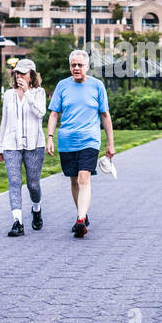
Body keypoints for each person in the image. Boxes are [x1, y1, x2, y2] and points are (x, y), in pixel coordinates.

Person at [46, 49, 115, 238]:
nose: (76, 68)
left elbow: (105, 115)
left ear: (87, 66)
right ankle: (82, 214)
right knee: (74, 180)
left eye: (80, 65)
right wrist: (50, 137)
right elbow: (53, 114)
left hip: (90, 140)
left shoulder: (97, 86)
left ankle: (80, 220)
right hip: (67, 141)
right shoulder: (62, 86)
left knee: (84, 177)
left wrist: (111, 143)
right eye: (73, 65)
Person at [0, 58, 46, 236]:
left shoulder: (39, 93)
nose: (19, 76)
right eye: (17, 72)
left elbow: (40, 113)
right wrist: (0, 145)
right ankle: (17, 222)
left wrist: (27, 93)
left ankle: (36, 208)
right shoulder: (8, 95)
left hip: (35, 145)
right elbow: (4, 121)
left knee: (33, 184)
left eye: (23, 73)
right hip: (12, 145)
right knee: (15, 182)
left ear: (32, 75)